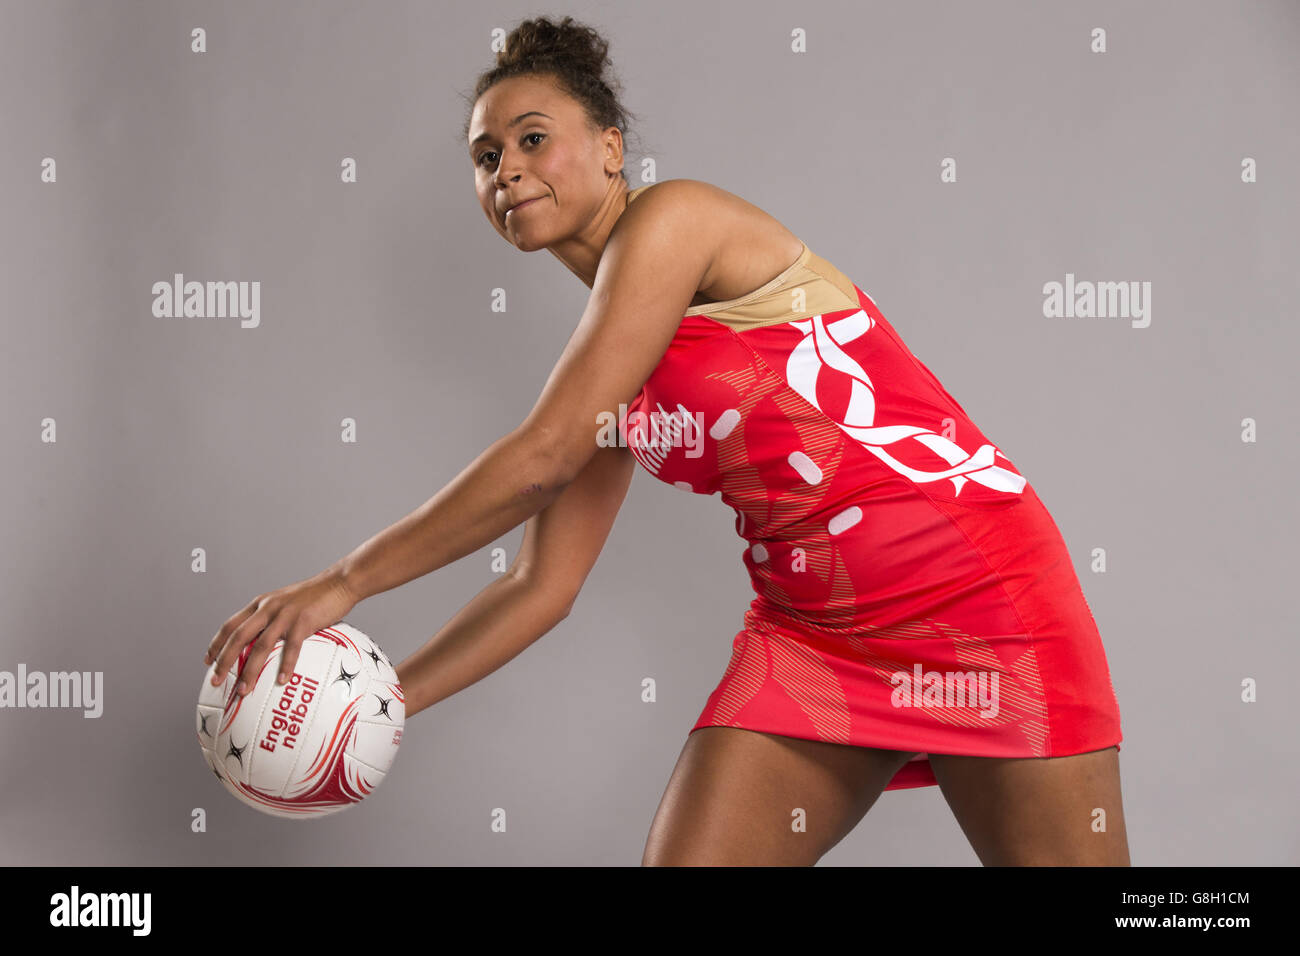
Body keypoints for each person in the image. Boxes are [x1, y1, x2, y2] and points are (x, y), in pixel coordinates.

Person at [204, 15, 1129, 866]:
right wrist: (374, 704)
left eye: (533, 138)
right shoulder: (610, 364)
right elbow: (540, 586)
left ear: (611, 148)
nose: (507, 170)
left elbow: (542, 460)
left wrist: (346, 581)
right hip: (816, 641)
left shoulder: (675, 220)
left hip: (979, 602)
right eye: (486, 156)